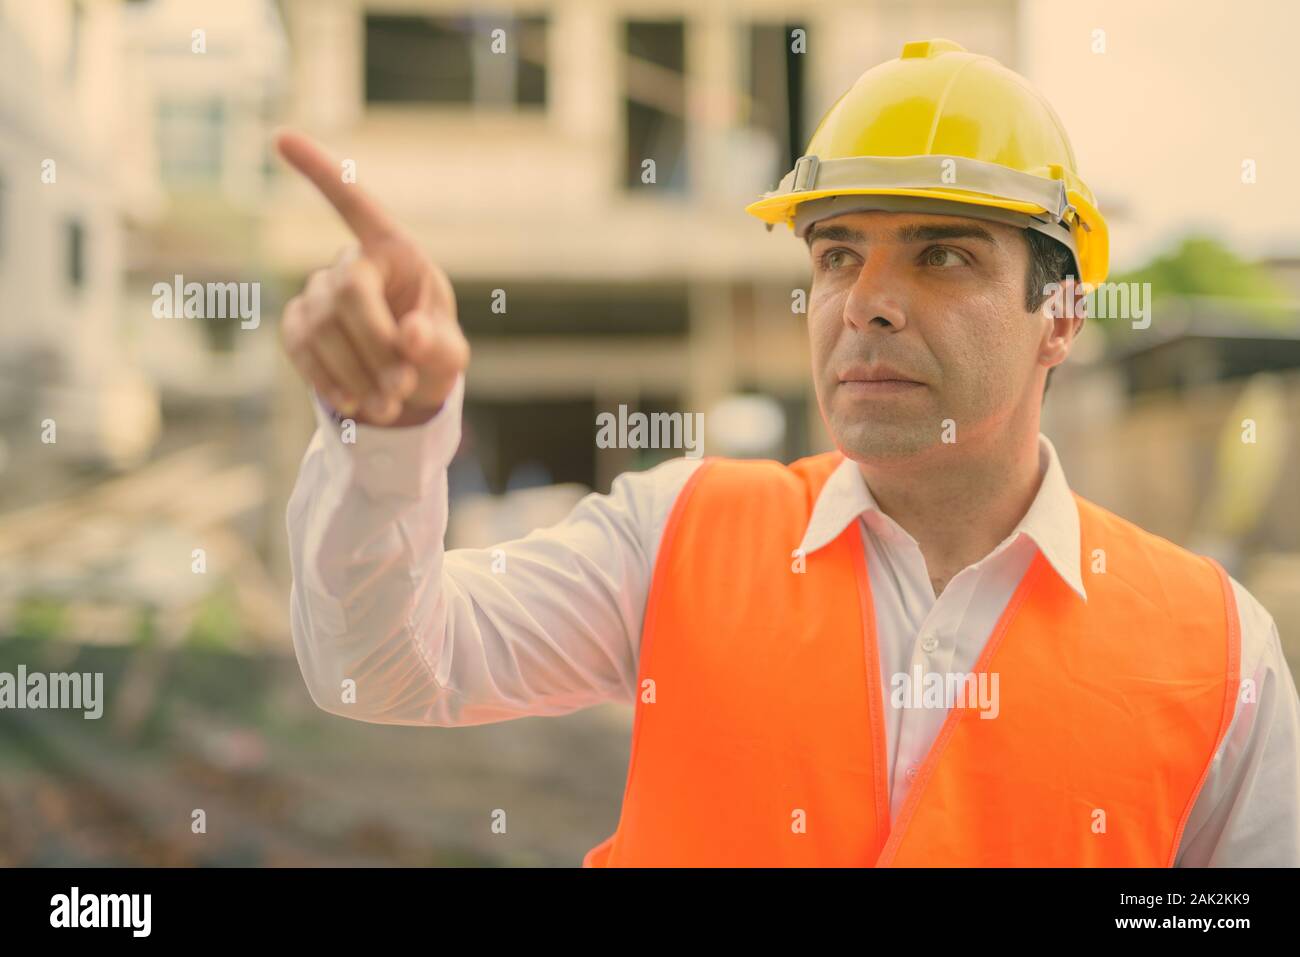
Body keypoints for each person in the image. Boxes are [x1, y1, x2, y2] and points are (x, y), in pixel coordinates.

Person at [279, 39, 1300, 866]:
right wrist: (388, 437)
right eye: (838, 254)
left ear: (1061, 316)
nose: (868, 304)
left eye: (943, 254)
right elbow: (379, 669)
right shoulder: (675, 534)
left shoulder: (1216, 654)